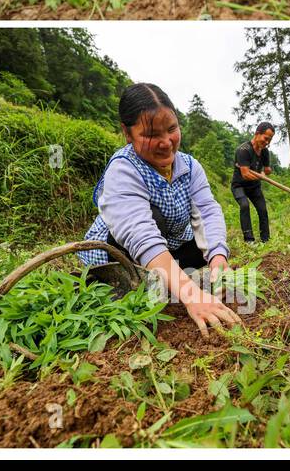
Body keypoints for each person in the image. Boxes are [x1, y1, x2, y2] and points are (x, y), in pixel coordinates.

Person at [79, 83, 240, 336]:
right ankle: (146, 282)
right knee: (155, 224)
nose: (166, 143)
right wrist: (190, 295)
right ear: (127, 133)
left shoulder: (190, 166)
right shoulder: (123, 169)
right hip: (121, 252)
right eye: (152, 135)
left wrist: (218, 257)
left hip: (170, 244)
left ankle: (168, 278)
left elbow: (207, 212)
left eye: (172, 129)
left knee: (204, 250)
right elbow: (142, 236)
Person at [232, 123, 275, 244]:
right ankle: (249, 240)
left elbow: (266, 170)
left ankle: (266, 240)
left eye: (270, 140)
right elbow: (245, 174)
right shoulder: (243, 150)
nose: (267, 142)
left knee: (263, 210)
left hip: (254, 187)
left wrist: (267, 171)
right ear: (257, 134)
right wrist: (261, 176)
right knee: (244, 205)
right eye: (266, 138)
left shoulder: (265, 152)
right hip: (239, 186)